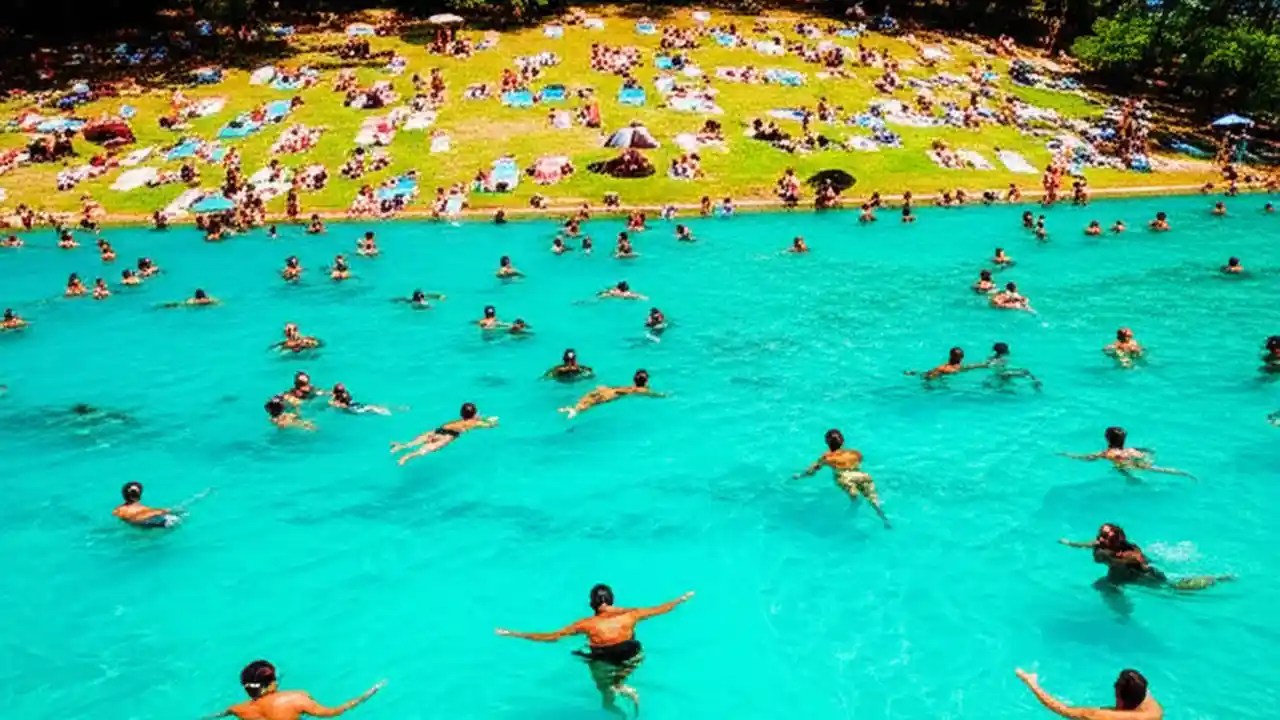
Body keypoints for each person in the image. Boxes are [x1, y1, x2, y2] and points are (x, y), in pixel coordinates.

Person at [496, 584, 695, 717]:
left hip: (604, 659)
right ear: (612, 600)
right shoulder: (631, 614)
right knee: (622, 666)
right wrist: (681, 599)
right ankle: (622, 686)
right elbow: (661, 609)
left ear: (593, 604)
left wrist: (515, 633)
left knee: (605, 697)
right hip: (632, 655)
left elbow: (551, 637)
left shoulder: (587, 624)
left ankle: (619, 706)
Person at [1058, 523, 1232, 592]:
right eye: (1101, 535)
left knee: (1174, 588)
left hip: (1144, 576)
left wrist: (1115, 560)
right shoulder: (1102, 545)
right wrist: (1069, 543)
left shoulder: (1129, 551)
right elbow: (1090, 544)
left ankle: (1212, 579)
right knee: (1105, 586)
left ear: (1119, 540)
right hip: (1120, 577)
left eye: (1106, 537)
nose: (1101, 539)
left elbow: (1139, 561)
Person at [207, 659, 383, 720]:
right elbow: (334, 712)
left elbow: (217, 715)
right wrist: (368, 693)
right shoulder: (296, 698)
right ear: (270, 683)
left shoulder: (238, 709)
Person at [793, 428, 890, 528]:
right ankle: (884, 519)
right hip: (862, 476)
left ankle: (853, 511)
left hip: (845, 477)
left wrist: (799, 476)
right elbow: (860, 462)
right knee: (874, 500)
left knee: (855, 499)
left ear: (826, 442)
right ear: (843, 441)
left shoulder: (827, 457)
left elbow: (811, 471)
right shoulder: (855, 453)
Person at [1014, 668, 1163, 720]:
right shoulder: (1153, 711)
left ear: (1119, 697)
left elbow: (1060, 709)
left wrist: (1031, 682)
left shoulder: (1100, 716)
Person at [1059, 426, 1195, 479]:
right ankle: (1183, 473)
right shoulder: (1130, 449)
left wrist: (1067, 455)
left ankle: (1132, 479)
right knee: (1157, 469)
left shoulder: (1107, 453)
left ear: (1107, 438)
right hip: (1137, 457)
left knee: (1121, 469)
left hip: (1124, 462)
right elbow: (1144, 450)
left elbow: (1087, 458)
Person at [390, 402, 497, 465]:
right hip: (448, 436)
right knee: (425, 450)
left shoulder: (457, 421)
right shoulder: (473, 423)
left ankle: (399, 446)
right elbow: (489, 426)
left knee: (412, 443)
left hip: (438, 431)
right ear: (474, 414)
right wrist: (492, 422)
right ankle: (406, 457)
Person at [559, 369, 665, 418]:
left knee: (591, 398)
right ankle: (574, 410)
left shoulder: (629, 386)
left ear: (634, 379)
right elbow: (653, 395)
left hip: (608, 389)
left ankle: (572, 408)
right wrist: (664, 395)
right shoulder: (641, 390)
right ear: (646, 381)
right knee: (594, 403)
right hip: (611, 395)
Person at [112, 481, 178, 529]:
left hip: (135, 522)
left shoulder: (118, 510)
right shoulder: (143, 508)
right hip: (146, 521)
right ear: (140, 495)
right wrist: (167, 510)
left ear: (124, 495)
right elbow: (154, 512)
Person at [904, 347, 986, 380]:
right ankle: (913, 373)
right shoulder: (952, 368)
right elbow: (974, 366)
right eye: (961, 355)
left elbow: (974, 366)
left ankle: (912, 373)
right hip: (934, 376)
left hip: (934, 374)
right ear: (961, 357)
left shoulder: (952, 366)